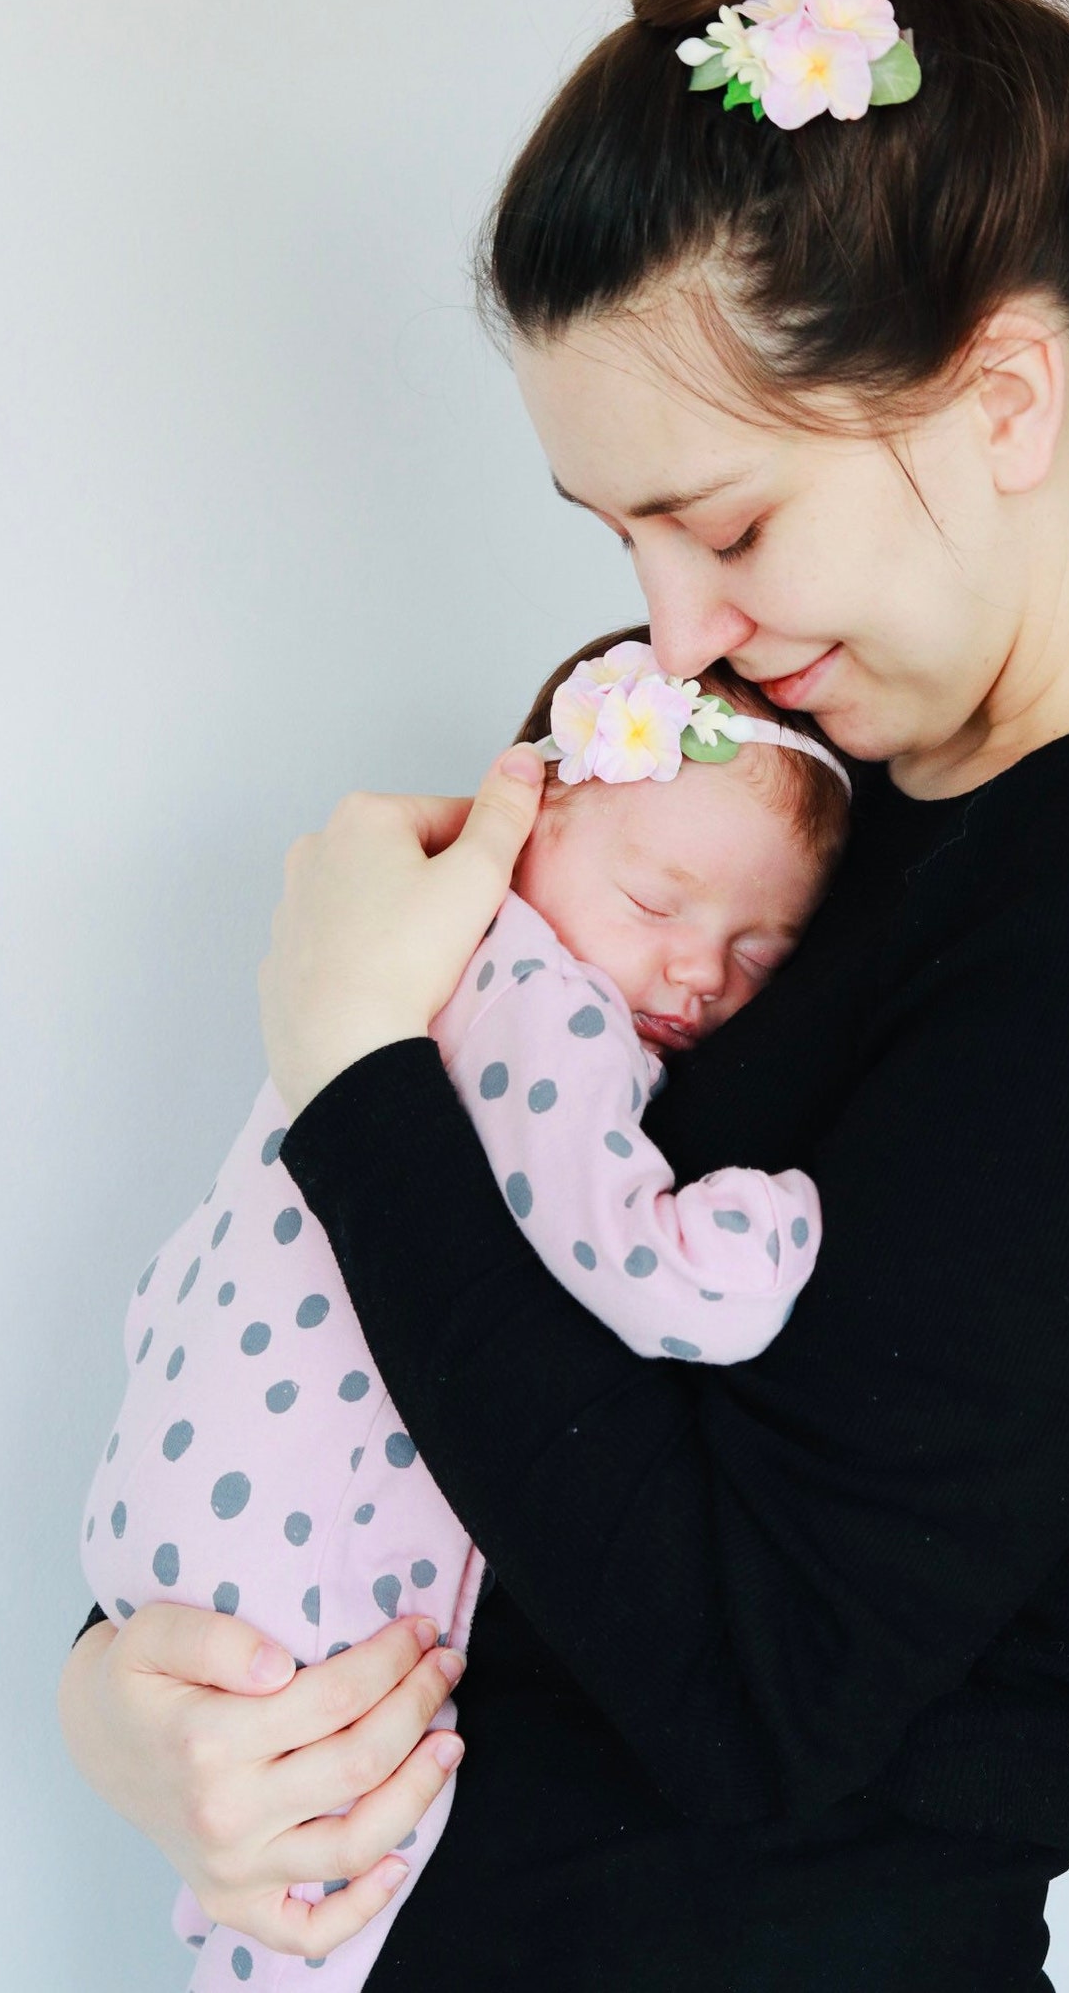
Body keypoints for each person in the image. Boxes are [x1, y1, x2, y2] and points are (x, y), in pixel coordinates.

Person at [59, 0, 1069, 1991]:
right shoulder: (803, 810)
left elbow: (751, 1688)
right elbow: (418, 1368)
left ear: (996, 400)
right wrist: (130, 1682)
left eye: (727, 522)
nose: (676, 638)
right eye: (622, 543)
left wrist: (351, 1074)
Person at [78, 636, 847, 1992]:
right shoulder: (536, 997)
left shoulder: (411, 963)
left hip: (182, 1500)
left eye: (756, 948)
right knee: (343, 1847)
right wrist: (772, 1222)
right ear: (529, 819)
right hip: (290, 1538)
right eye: (656, 901)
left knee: (267, 1896)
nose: (696, 972)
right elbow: (641, 1264)